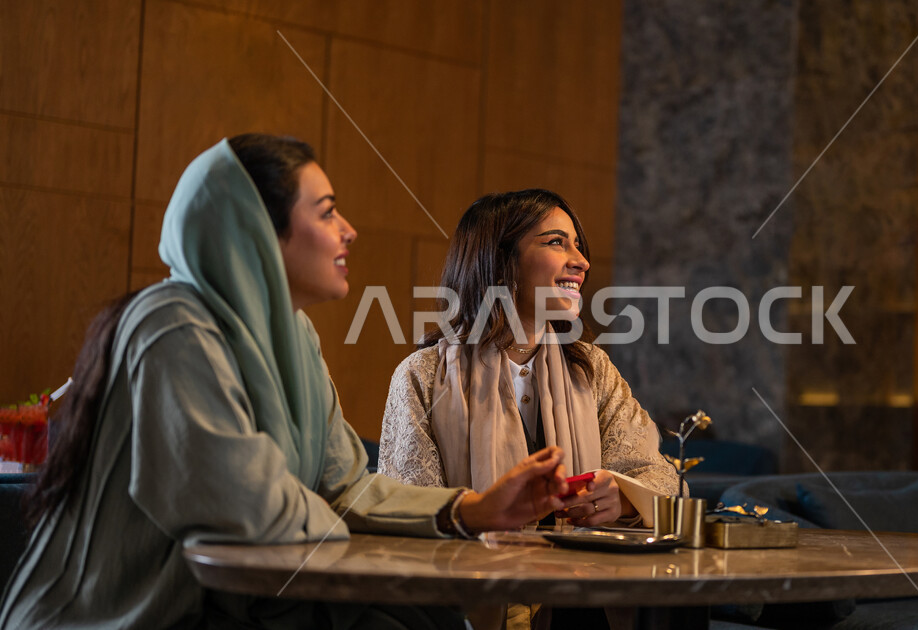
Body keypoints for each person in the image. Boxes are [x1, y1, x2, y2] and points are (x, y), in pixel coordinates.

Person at [0, 135, 570, 629]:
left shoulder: (295, 334)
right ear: (254, 231)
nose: (348, 230)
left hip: (232, 606)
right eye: (326, 213)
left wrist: (474, 510)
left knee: (431, 620)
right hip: (138, 615)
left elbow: (345, 486)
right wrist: (334, 513)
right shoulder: (171, 322)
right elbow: (244, 511)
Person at [379, 189, 677, 529]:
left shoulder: (593, 370)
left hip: (579, 578)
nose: (581, 261)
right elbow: (405, 509)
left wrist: (622, 499)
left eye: (577, 244)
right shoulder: (422, 376)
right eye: (556, 242)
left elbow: (662, 478)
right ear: (501, 262)